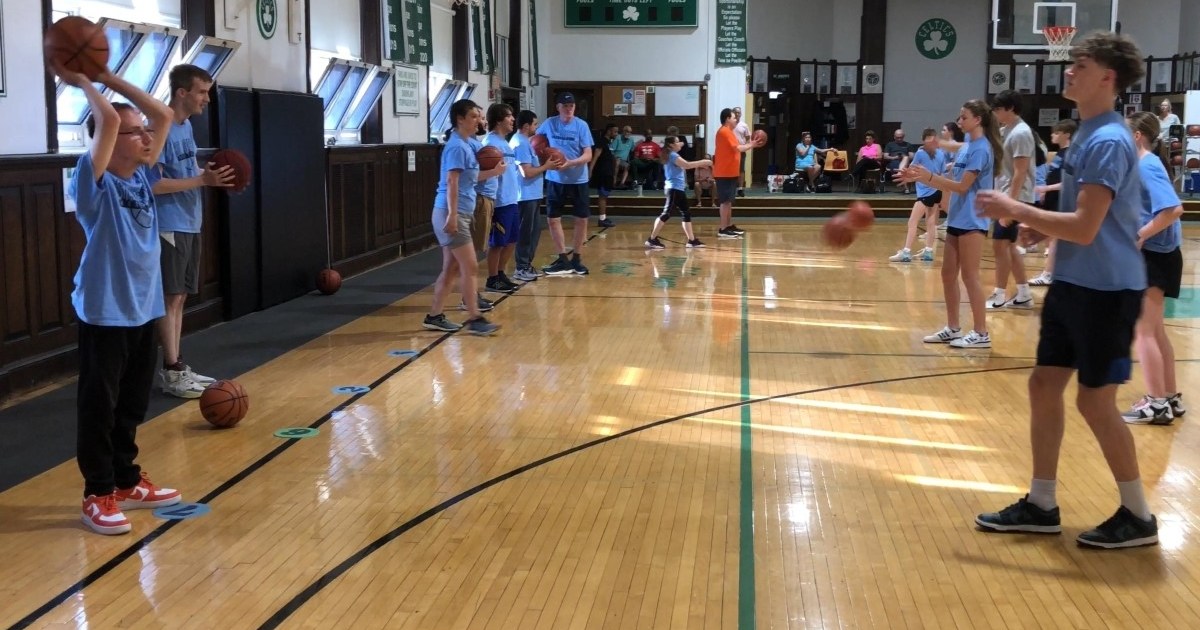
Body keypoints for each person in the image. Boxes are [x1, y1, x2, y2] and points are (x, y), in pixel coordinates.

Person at [974, 31, 1158, 549]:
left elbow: (1086, 228)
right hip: (1075, 283)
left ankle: (1138, 516)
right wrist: (1042, 223)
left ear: (1109, 77)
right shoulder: (1089, 132)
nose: (1070, 71)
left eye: (1081, 64)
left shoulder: (1108, 140)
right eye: (1072, 63)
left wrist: (1015, 211)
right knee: (1043, 385)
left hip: (1106, 290)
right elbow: (1076, 220)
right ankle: (1042, 502)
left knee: (1096, 403)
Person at [56, 62, 183, 535]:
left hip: (142, 307)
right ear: (109, 144)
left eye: (141, 133)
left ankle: (127, 479)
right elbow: (108, 121)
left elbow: (164, 116)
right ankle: (98, 492)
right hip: (105, 308)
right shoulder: (94, 184)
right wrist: (83, 80)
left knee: (131, 403)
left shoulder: (142, 179)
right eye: (135, 134)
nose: (146, 138)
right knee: (99, 404)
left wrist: (109, 77)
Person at [150, 65, 235, 399]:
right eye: (202, 92)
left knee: (180, 298)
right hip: (169, 223)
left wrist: (207, 173)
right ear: (182, 92)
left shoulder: (185, 128)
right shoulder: (162, 127)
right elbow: (153, 184)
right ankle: (170, 370)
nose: (207, 99)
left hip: (190, 220)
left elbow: (184, 171)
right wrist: (201, 180)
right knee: (170, 298)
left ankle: (177, 365)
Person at [896, 101, 999, 349]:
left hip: (974, 220)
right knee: (948, 274)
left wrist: (929, 178)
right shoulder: (966, 147)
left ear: (978, 120)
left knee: (970, 276)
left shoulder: (981, 149)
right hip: (957, 217)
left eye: (963, 117)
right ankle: (953, 328)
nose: (959, 121)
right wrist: (919, 177)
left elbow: (963, 186)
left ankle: (981, 333)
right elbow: (951, 181)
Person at [1122, 112, 1186, 425]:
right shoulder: (1143, 164)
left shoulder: (1147, 165)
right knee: (1156, 332)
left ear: (1136, 136)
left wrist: (1141, 234)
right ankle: (1169, 396)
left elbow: (1174, 209)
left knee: (1144, 331)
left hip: (1155, 258)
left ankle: (1157, 403)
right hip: (1162, 256)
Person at [422, 99, 502, 336]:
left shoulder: (467, 144)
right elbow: (452, 182)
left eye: (479, 116)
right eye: (474, 116)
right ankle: (475, 318)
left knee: (451, 268)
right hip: (450, 213)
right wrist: (453, 216)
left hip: (459, 211)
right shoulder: (457, 147)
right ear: (460, 119)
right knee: (470, 267)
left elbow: (470, 178)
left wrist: (494, 172)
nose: (479, 120)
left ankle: (434, 316)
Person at [986, 90, 1036, 311]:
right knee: (1009, 247)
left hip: (1016, 198)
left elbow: (1020, 172)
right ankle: (1024, 293)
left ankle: (999, 294)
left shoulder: (1022, 133)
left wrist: (1010, 206)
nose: (995, 113)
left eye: (998, 109)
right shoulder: (1008, 131)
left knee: (1000, 245)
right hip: (1006, 196)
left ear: (1010, 109)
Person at [537, 93, 594, 276]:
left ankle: (577, 258)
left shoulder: (581, 126)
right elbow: (536, 142)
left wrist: (570, 162)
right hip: (555, 179)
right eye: (565, 105)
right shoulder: (549, 123)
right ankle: (562, 259)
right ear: (558, 107)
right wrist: (542, 156)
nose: (569, 108)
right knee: (553, 219)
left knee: (581, 219)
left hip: (578, 179)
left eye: (572, 105)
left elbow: (588, 155)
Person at [510, 110, 562, 282]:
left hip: (532, 194)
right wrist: (546, 166)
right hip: (525, 195)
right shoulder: (521, 144)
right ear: (526, 126)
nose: (537, 127)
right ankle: (521, 267)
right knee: (526, 233)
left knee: (534, 231)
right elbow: (526, 172)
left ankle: (526, 265)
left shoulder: (525, 142)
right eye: (534, 124)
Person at [1031, 119, 1078, 286]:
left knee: (1056, 237)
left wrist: (1046, 189)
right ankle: (1053, 272)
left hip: (1062, 200)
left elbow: (1069, 182)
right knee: (1052, 238)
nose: (1052, 135)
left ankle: (1049, 273)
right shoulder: (1059, 153)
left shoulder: (1071, 154)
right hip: (1052, 199)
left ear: (1067, 135)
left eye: (1057, 132)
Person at [888, 129, 947, 262]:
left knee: (913, 221)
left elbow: (911, 170)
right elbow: (943, 174)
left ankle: (907, 251)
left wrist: (905, 172)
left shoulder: (921, 153)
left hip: (926, 191)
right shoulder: (941, 153)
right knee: (931, 222)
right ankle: (928, 251)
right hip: (938, 190)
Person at [644, 136, 713, 250]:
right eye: (677, 142)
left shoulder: (670, 153)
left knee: (686, 213)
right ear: (671, 145)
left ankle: (691, 240)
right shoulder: (672, 155)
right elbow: (687, 165)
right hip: (674, 189)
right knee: (666, 214)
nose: (680, 143)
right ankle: (652, 239)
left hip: (678, 189)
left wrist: (679, 143)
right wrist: (703, 162)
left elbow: (680, 146)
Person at [482, 103, 521, 294]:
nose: (513, 119)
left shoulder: (505, 142)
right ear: (498, 120)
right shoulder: (490, 144)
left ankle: (500, 273)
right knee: (497, 242)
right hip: (499, 201)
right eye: (509, 116)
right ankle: (492, 278)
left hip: (512, 199)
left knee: (512, 239)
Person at [714, 107, 763, 238]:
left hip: (729, 172)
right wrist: (752, 144)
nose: (736, 119)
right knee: (725, 202)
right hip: (724, 172)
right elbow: (739, 148)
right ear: (727, 119)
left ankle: (728, 226)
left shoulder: (729, 131)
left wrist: (751, 144)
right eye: (734, 117)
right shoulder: (724, 131)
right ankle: (723, 229)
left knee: (728, 201)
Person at [590, 123, 618, 228]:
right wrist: (590, 170)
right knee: (602, 196)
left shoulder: (608, 143)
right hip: (603, 173)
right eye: (615, 132)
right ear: (609, 131)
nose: (616, 134)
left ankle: (603, 217)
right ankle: (602, 219)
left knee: (604, 196)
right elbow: (595, 156)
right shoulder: (601, 142)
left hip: (608, 173)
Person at [732, 107, 751, 195]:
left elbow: (748, 138)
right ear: (733, 113)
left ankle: (740, 188)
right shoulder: (729, 125)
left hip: (741, 151)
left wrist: (746, 146)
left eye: (739, 113)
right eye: (736, 112)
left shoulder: (744, 125)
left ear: (741, 114)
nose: (737, 114)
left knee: (741, 170)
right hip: (731, 151)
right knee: (731, 169)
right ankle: (731, 188)